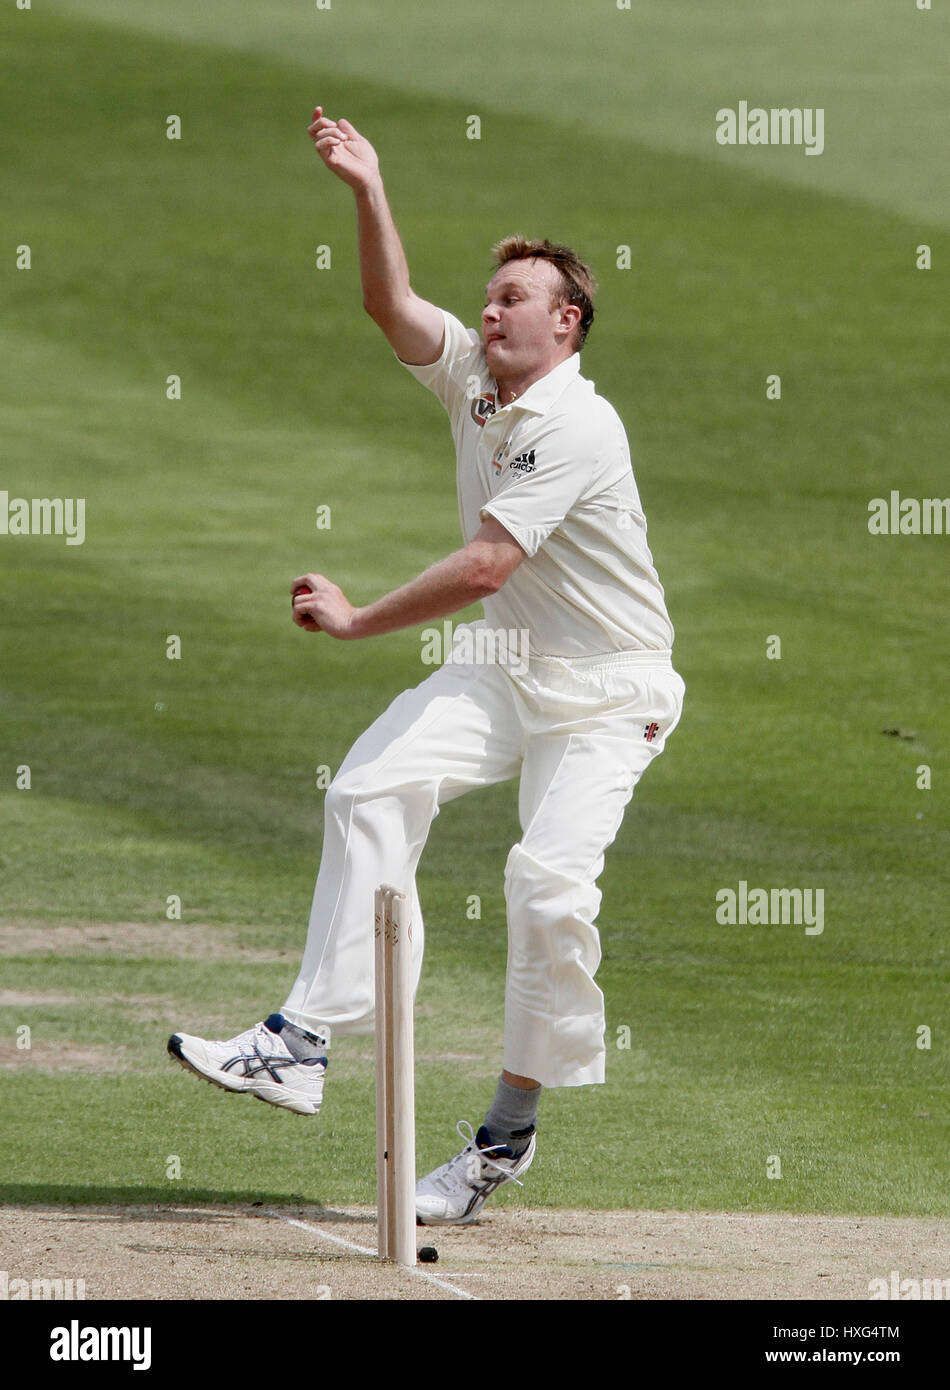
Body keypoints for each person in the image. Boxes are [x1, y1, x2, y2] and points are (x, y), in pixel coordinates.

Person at [168, 106, 685, 1227]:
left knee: (544, 890)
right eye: (489, 296)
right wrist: (368, 189)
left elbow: (489, 563)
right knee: (365, 787)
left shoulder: (576, 427)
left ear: (570, 321)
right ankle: (301, 1040)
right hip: (506, 668)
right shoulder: (478, 382)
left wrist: (358, 624)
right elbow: (388, 307)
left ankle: (504, 1134)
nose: (489, 310)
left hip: (607, 691)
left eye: (514, 299)